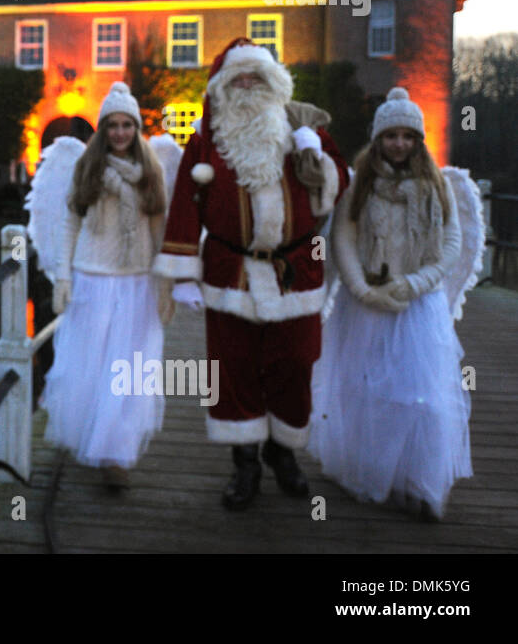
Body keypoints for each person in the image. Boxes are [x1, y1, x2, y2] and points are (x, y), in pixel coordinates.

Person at [153, 38, 349, 510]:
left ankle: (283, 453)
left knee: (296, 364)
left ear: (272, 81)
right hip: (229, 270)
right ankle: (245, 464)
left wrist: (316, 157)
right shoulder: (206, 138)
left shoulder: (303, 128)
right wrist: (182, 275)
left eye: (255, 75)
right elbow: (185, 202)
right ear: (222, 85)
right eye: (238, 76)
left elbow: (336, 185)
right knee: (234, 369)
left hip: (294, 270)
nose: (247, 83)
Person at [309, 87, 471, 521]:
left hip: (418, 304)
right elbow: (342, 236)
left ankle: (420, 481)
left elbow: (451, 243)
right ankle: (370, 470)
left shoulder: (435, 185)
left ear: (417, 141)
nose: (398, 144)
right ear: (378, 139)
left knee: (421, 396)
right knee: (368, 391)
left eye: (406, 136)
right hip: (366, 304)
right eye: (390, 136)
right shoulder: (359, 182)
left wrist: (417, 282)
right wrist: (361, 288)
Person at [41, 82, 175, 490]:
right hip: (93, 280)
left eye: (127, 125)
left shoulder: (151, 172)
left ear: (136, 128)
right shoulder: (87, 169)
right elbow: (71, 223)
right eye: (112, 125)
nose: (119, 133)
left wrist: (165, 285)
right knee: (92, 366)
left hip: (136, 283)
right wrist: (63, 277)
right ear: (102, 129)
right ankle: (91, 436)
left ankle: (115, 453)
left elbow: (160, 231)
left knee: (129, 369)